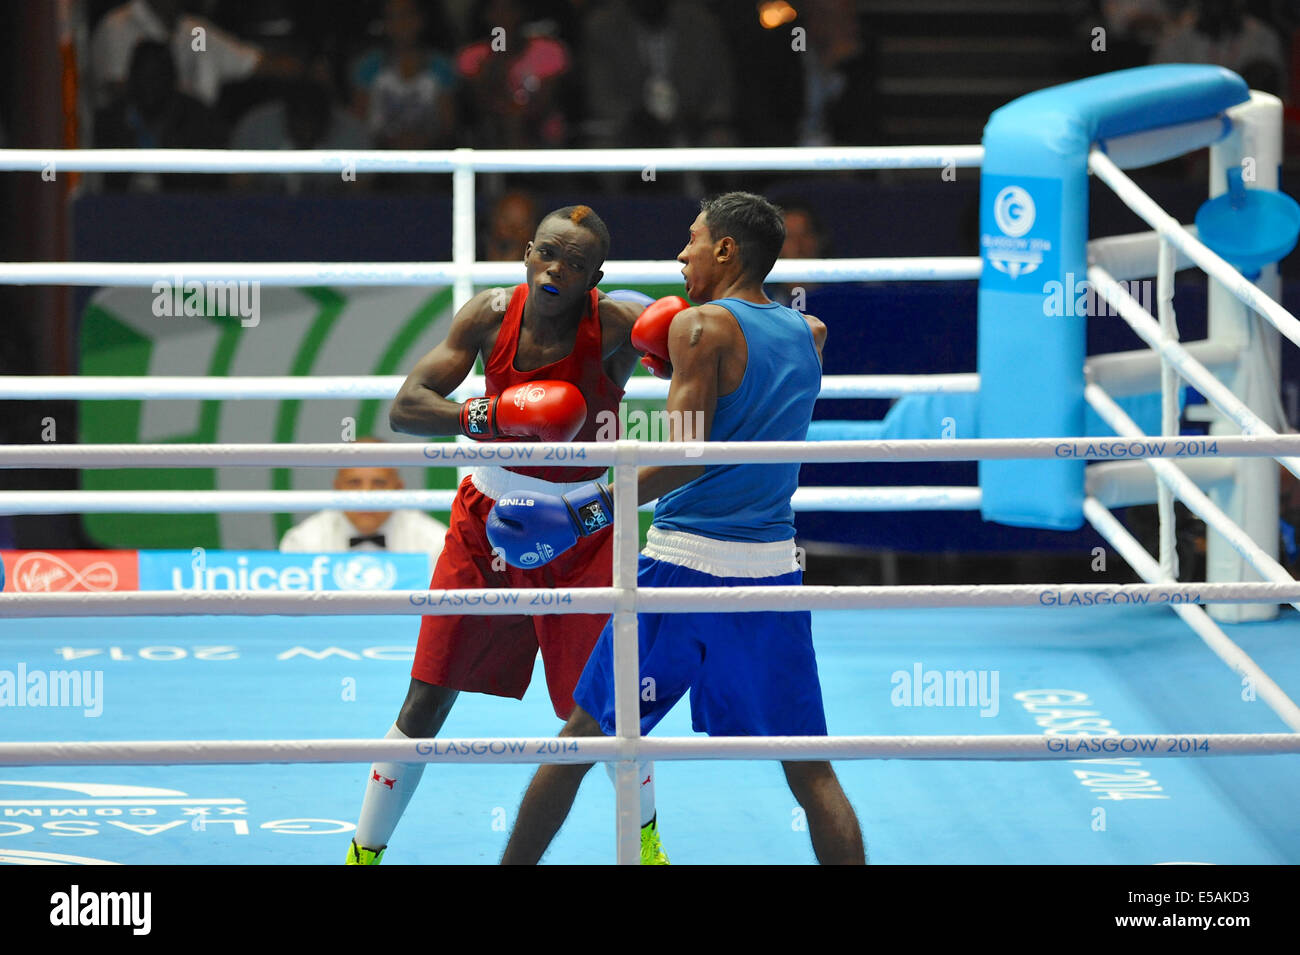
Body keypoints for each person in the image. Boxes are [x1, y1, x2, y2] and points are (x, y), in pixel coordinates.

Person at [490, 192, 866, 864]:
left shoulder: (700, 328)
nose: (681, 254)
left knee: (581, 738)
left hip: (683, 568)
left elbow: (685, 453)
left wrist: (587, 509)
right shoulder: (811, 336)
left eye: (691, 240)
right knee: (810, 767)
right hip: (771, 571)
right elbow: (749, 424)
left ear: (725, 248)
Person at [346, 205, 677, 865]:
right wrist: (489, 412)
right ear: (527, 251)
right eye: (547, 253)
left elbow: (689, 345)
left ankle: (647, 849)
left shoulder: (615, 326)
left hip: (583, 533)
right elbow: (405, 406)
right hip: (485, 527)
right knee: (427, 695)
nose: (556, 270)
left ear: (596, 276)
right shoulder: (488, 315)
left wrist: (680, 325)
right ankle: (363, 851)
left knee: (609, 711)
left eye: (576, 263)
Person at [279, 439, 447, 568]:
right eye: (354, 483)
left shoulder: (436, 543)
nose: (366, 495)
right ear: (338, 488)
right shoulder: (302, 544)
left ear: (398, 489)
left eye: (379, 483)